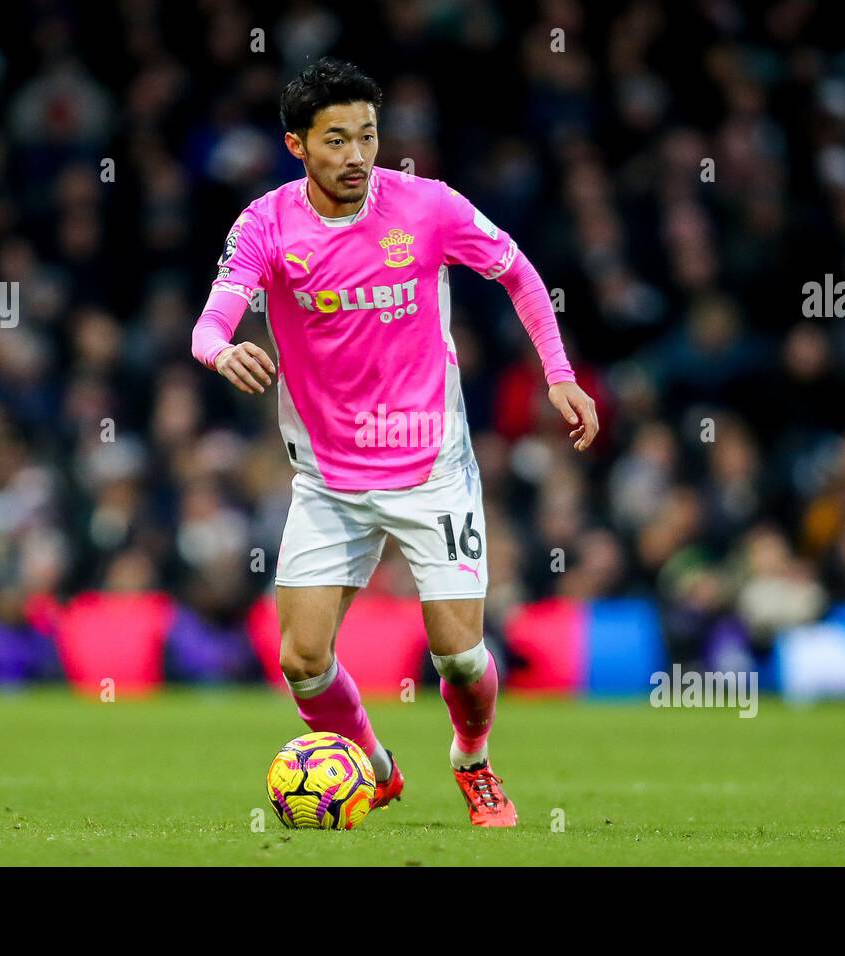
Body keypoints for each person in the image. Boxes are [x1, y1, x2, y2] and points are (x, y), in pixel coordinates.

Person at [191, 58, 598, 826]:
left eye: (368, 136)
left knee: (460, 658)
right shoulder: (266, 224)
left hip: (432, 468)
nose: (355, 155)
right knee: (302, 663)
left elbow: (518, 272)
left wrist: (559, 373)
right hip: (327, 478)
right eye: (336, 139)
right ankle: (375, 768)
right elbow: (211, 321)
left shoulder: (429, 207)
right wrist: (221, 351)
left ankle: (472, 759)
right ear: (297, 146)